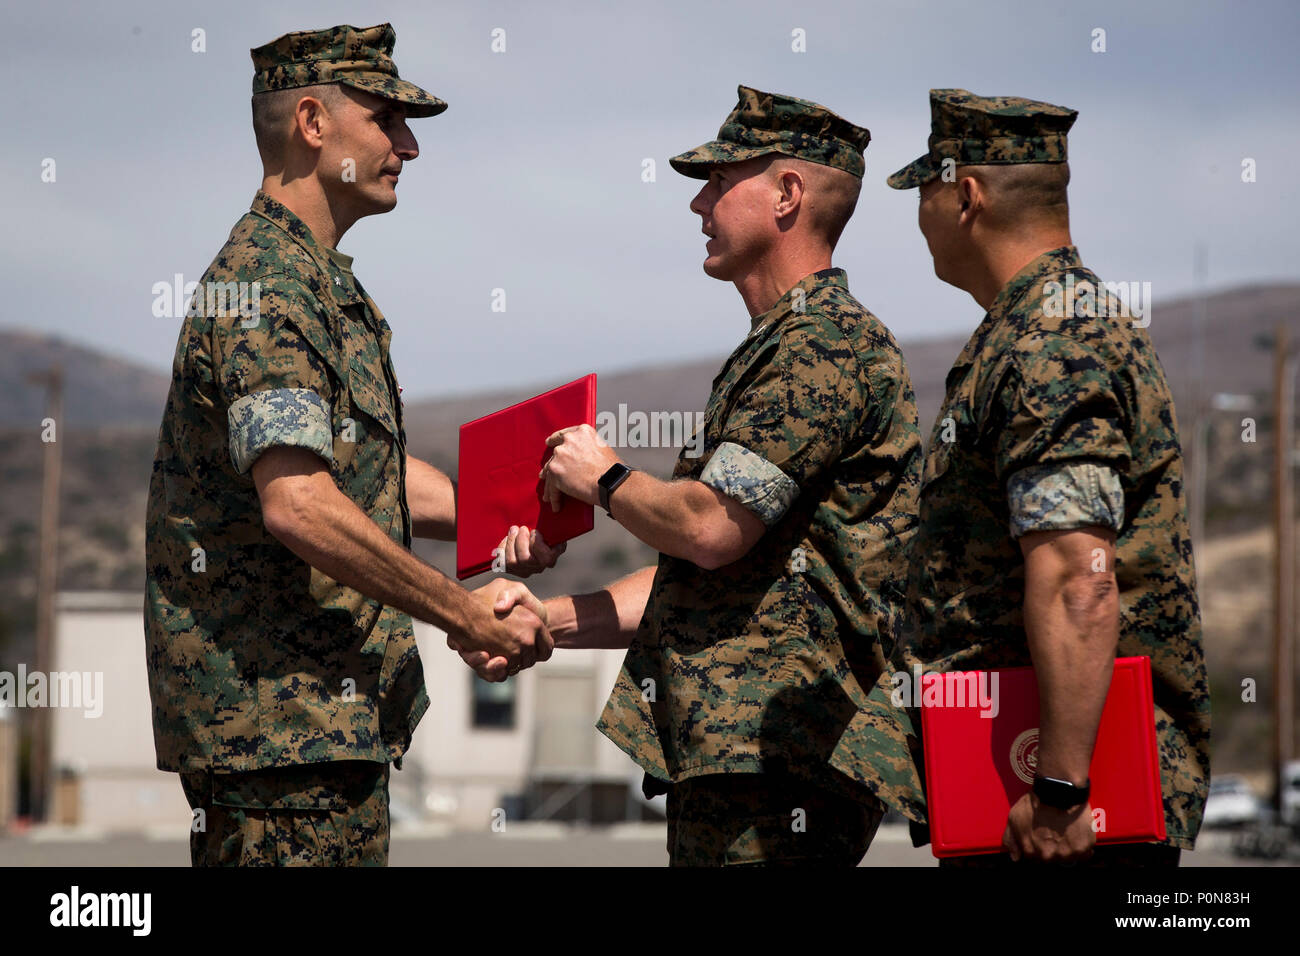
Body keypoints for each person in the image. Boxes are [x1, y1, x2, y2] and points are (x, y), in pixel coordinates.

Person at [468, 85, 927, 866]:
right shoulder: (778, 350)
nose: (698, 205)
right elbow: (694, 573)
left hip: (779, 763)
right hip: (740, 764)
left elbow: (710, 528)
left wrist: (604, 477)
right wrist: (545, 620)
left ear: (787, 195)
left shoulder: (822, 345)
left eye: (719, 182)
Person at [144, 22, 558, 867]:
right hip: (277, 740)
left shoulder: (320, 282)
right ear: (311, 123)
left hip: (317, 739)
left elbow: (359, 473)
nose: (407, 145)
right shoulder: (268, 284)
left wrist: (515, 501)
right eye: (386, 120)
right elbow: (299, 502)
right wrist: (464, 609)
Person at [886, 89, 1210, 865]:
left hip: (1063, 812)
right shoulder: (1030, 328)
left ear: (965, 195)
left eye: (924, 188)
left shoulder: (1052, 340)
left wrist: (1062, 790)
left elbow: (1078, 576)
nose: (919, 213)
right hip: (1017, 780)